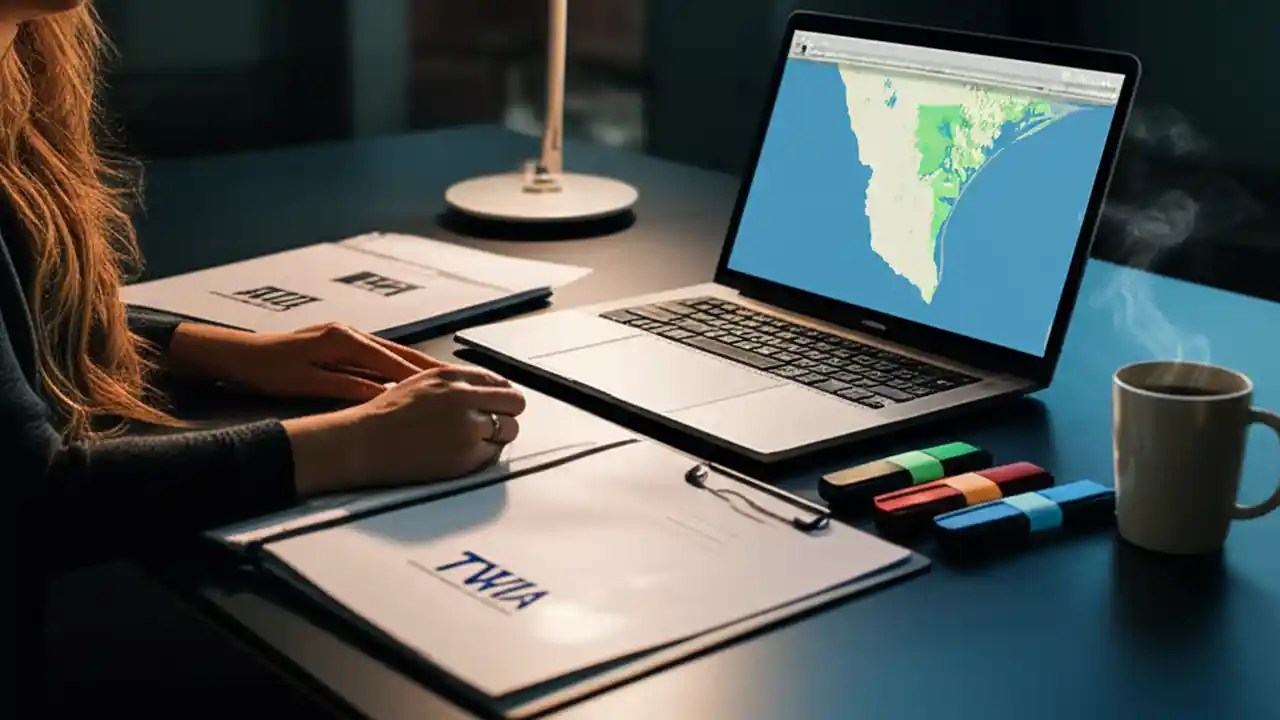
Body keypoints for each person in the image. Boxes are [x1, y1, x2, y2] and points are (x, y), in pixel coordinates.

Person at [2, 0, 526, 702]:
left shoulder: (24, 58)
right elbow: (31, 500)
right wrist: (359, 443)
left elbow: (26, 315)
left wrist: (231, 352)